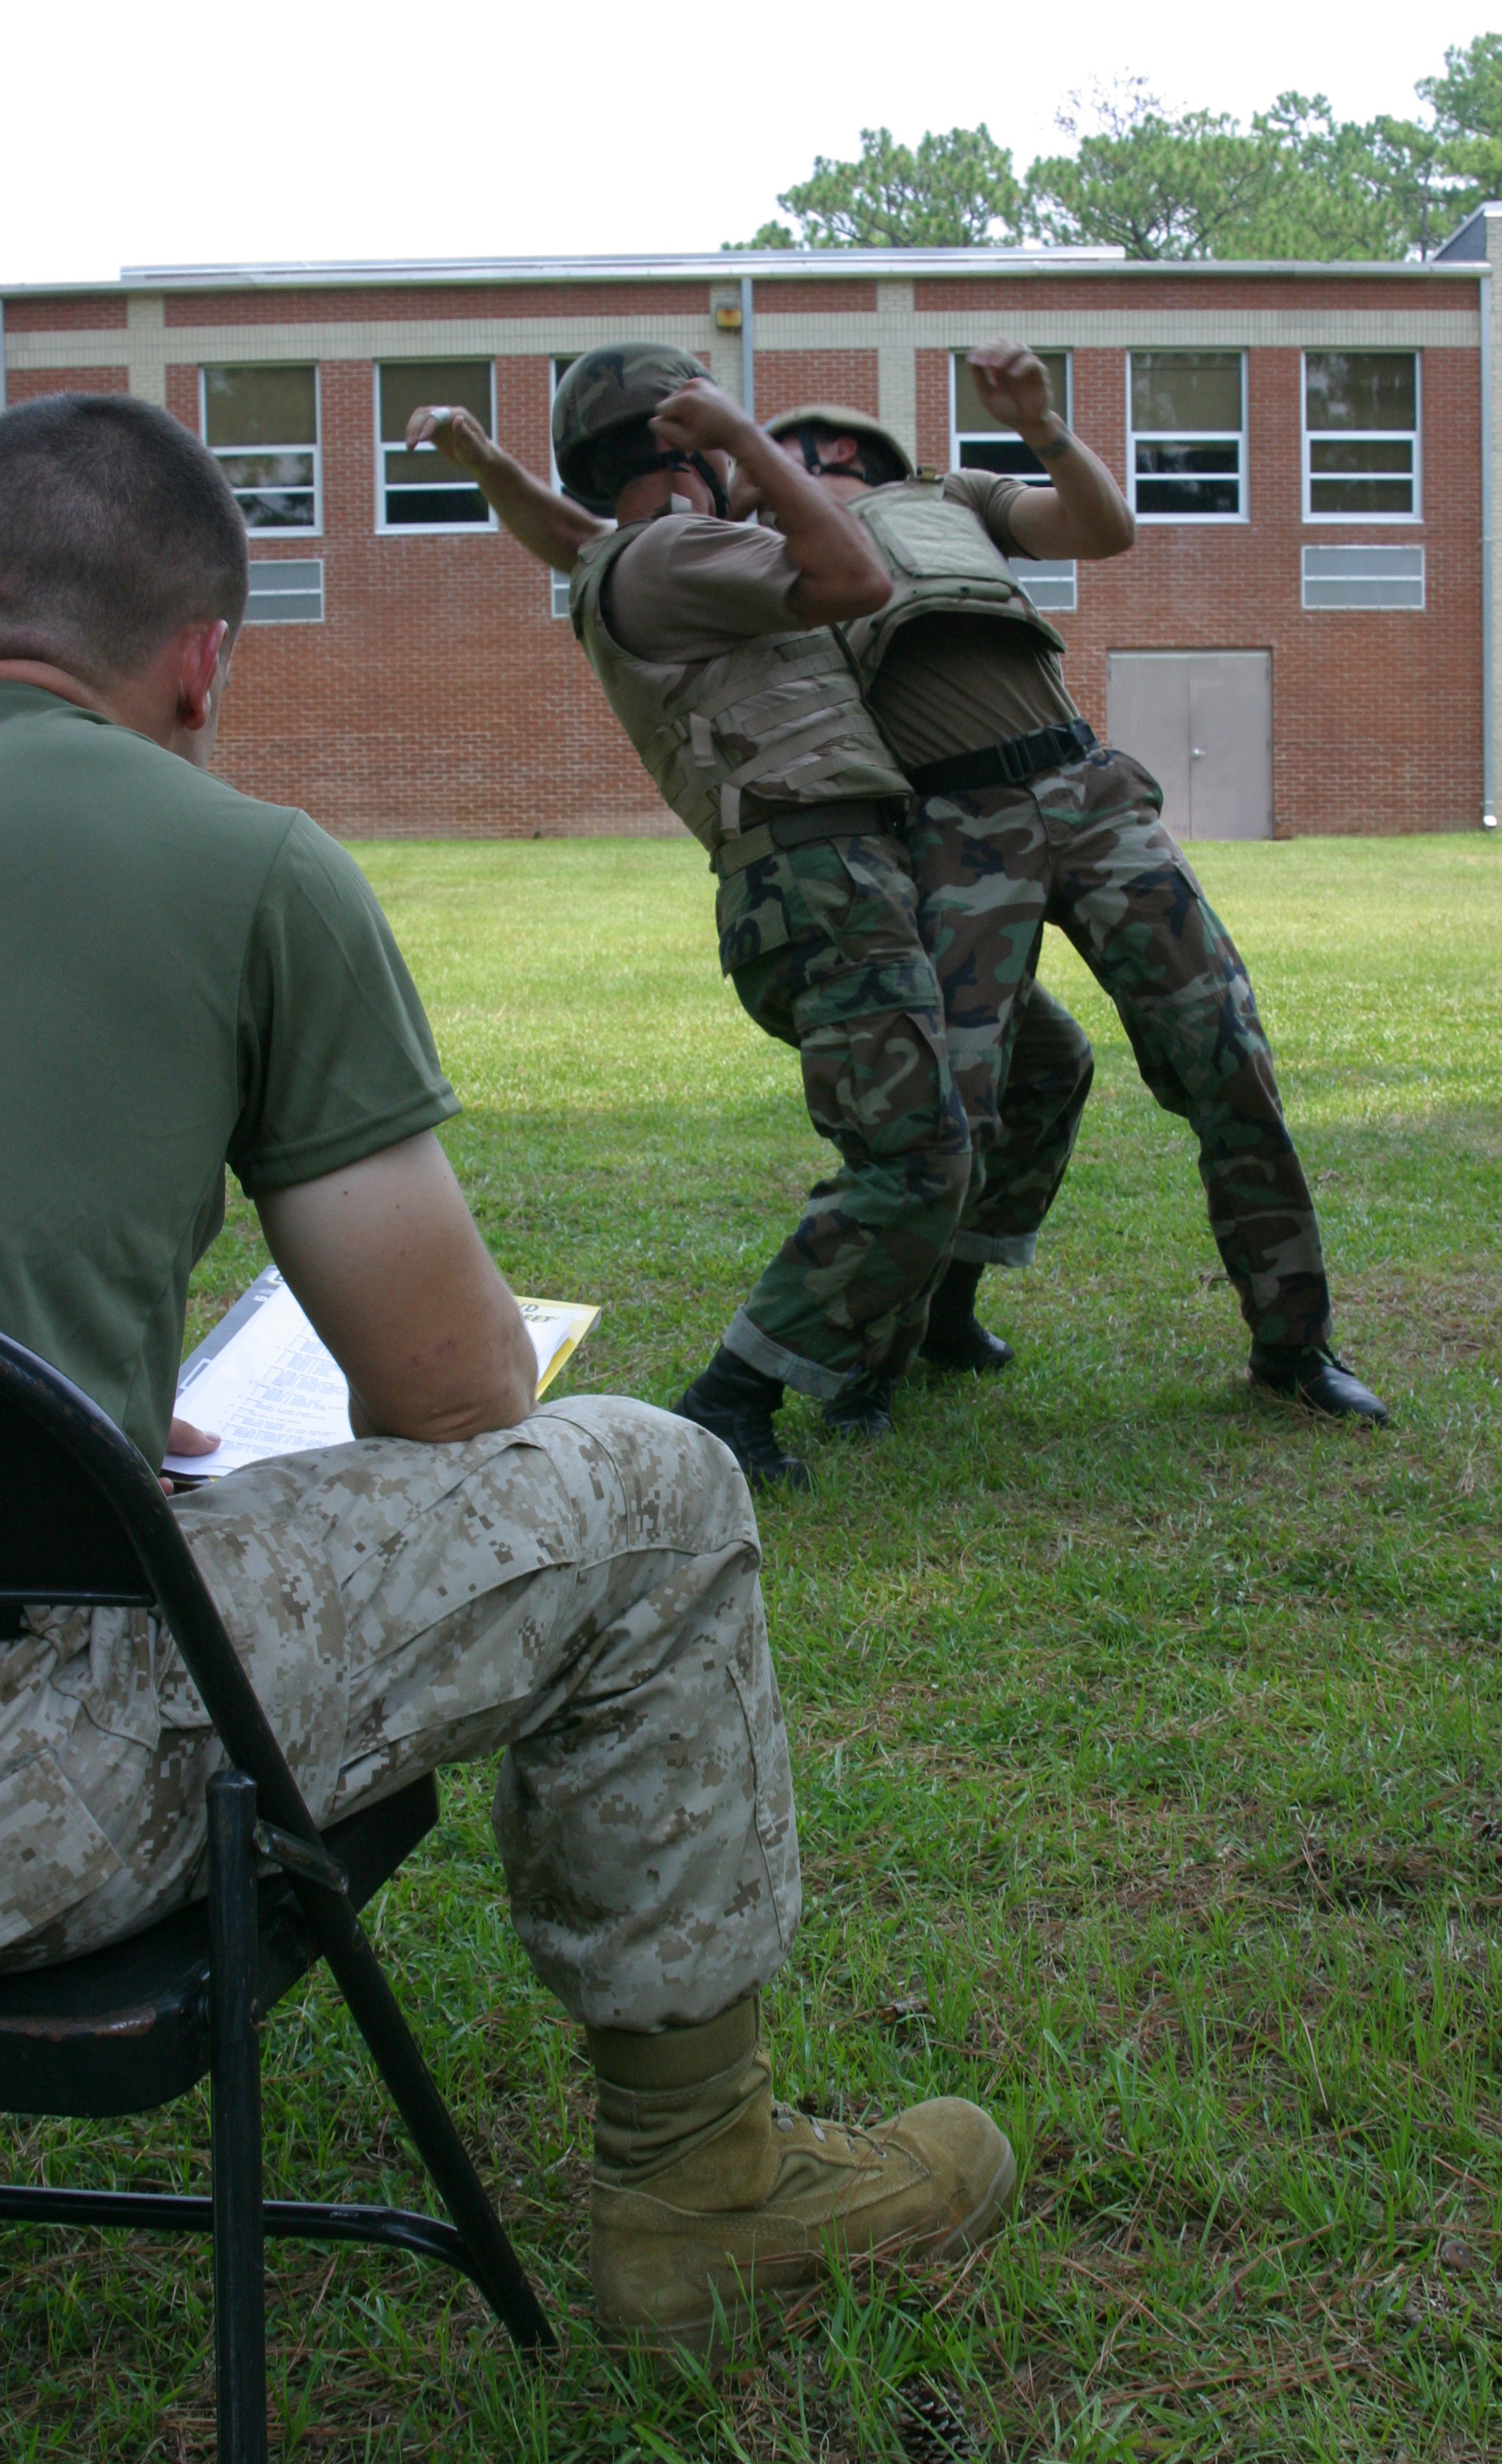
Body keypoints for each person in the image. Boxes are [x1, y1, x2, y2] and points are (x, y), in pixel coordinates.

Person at [0, 391, 1014, 2361]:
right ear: (205, 661)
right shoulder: (244, 866)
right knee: (651, 1486)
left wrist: (78, 1447)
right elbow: (451, 1391)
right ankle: (698, 2188)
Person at [753, 359, 1388, 1425]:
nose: (752, 493)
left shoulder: (949, 500)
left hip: (1089, 793)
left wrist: (1042, 426)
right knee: (954, 1101)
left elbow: (1103, 529)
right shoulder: (771, 569)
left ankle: (1294, 1344)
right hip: (953, 828)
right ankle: (903, 1339)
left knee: (1226, 1053)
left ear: (842, 457)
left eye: (769, 468)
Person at [407, 351, 986, 1488]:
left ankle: (917, 1328)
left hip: (811, 880)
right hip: (826, 879)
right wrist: (751, 443)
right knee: (917, 1160)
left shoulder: (625, 556)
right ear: (684, 466)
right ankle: (736, 1395)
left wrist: (488, 464)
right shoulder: (678, 547)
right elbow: (858, 575)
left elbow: (568, 532)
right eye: (715, 456)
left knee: (1037, 1063)